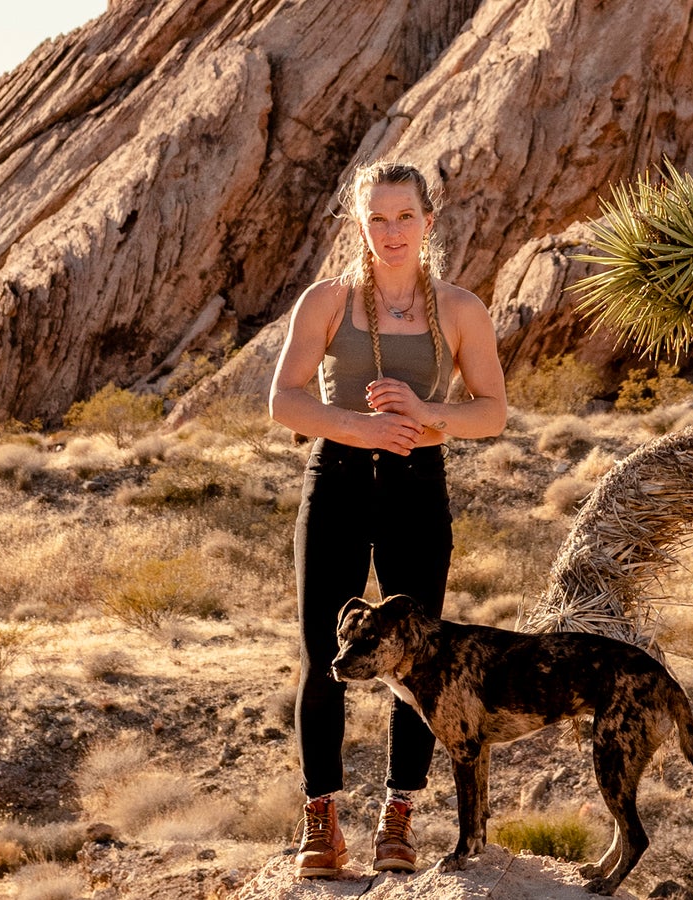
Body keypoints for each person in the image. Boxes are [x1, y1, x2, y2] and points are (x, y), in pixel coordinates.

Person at [268, 161, 507, 878]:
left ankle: (398, 814)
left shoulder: (460, 309)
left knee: (417, 660)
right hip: (336, 483)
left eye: (405, 217)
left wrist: (428, 413)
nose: (392, 232)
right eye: (378, 218)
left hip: (415, 490)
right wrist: (359, 428)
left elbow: (492, 412)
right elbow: (283, 400)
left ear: (429, 222)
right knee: (322, 657)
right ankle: (322, 820)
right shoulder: (328, 301)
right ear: (359, 223)